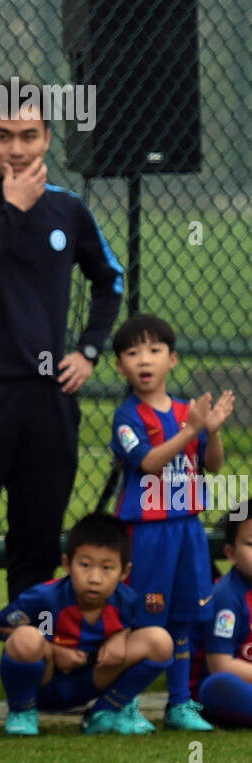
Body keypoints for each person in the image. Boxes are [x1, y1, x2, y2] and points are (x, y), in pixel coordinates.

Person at [0, 77, 124, 713]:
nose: (16, 148)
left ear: (48, 138)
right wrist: (10, 209)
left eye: (30, 136)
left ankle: (31, 664)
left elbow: (109, 280)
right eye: (4, 136)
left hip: (49, 402)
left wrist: (89, 351)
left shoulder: (69, 208)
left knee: (37, 541)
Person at [108, 312, 234, 731]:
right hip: (147, 534)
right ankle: (126, 703)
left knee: (183, 617)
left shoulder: (188, 410)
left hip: (187, 530)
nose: (144, 359)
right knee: (146, 615)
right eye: (132, 352)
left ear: (172, 360)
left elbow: (210, 468)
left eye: (154, 350)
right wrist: (188, 432)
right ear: (120, 365)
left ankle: (180, 703)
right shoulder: (127, 416)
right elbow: (146, 463)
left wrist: (211, 431)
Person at [0, 512, 173, 735]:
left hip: (92, 680)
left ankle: (106, 712)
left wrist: (121, 637)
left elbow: (140, 630)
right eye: (85, 565)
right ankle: (22, 711)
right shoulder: (46, 599)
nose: (95, 578)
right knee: (27, 638)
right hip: (45, 681)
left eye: (107, 568)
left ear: (124, 572)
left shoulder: (127, 601)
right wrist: (53, 649)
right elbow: (4, 622)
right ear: (67, 564)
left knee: (160, 641)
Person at [191, 510, 252, 726]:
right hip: (218, 687)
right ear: (231, 553)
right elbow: (220, 665)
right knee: (219, 685)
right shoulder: (227, 596)